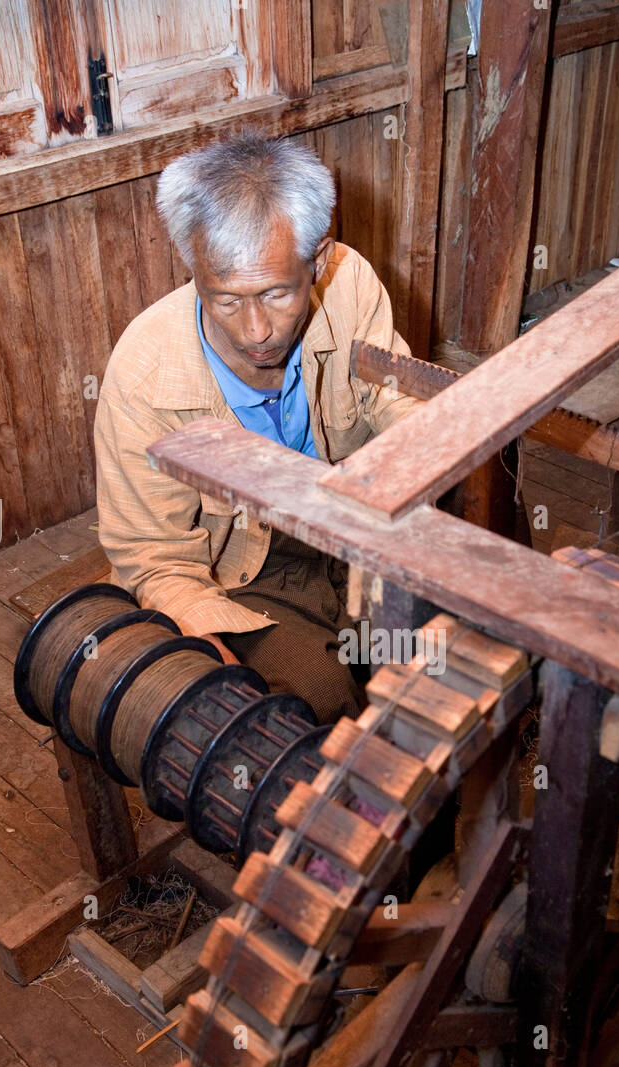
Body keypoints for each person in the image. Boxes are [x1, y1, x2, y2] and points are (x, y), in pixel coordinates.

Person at [94, 133, 419, 724]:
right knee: (317, 699)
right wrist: (202, 647)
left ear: (317, 263)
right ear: (193, 270)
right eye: (224, 300)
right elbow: (153, 557)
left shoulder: (348, 285)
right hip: (243, 567)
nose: (255, 331)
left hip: (347, 513)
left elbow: (400, 407)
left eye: (275, 293)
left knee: (437, 643)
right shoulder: (145, 375)